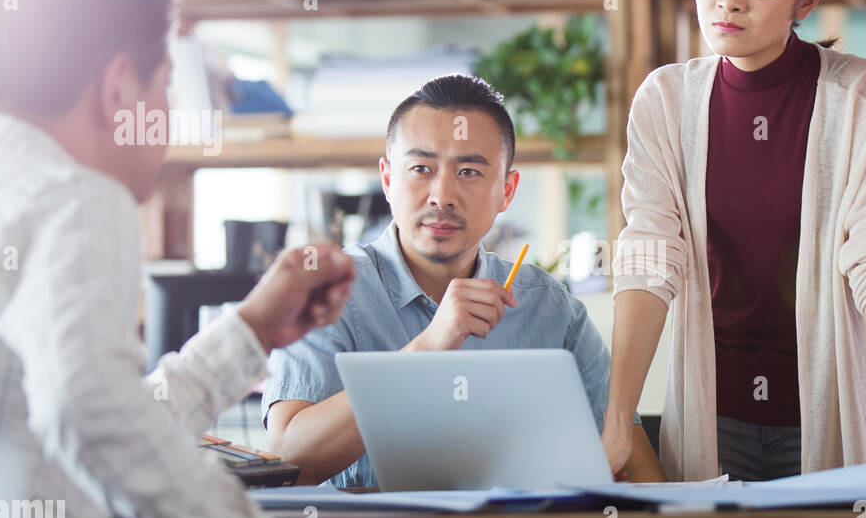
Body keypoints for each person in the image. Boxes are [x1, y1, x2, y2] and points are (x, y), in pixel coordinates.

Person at [0, 0, 386, 518]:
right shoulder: (74, 197)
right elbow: (89, 411)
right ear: (119, 88)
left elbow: (91, 417)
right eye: (165, 89)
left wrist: (252, 329)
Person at [604, 0, 866, 483]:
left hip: (826, 411)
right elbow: (649, 257)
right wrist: (619, 417)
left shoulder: (857, 92)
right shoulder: (665, 100)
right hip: (712, 413)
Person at [264, 73, 663, 486]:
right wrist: (428, 348)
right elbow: (289, 461)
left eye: (469, 172)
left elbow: (642, 472)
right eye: (421, 168)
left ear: (507, 190)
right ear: (387, 179)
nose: (442, 196)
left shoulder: (548, 305)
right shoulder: (328, 293)